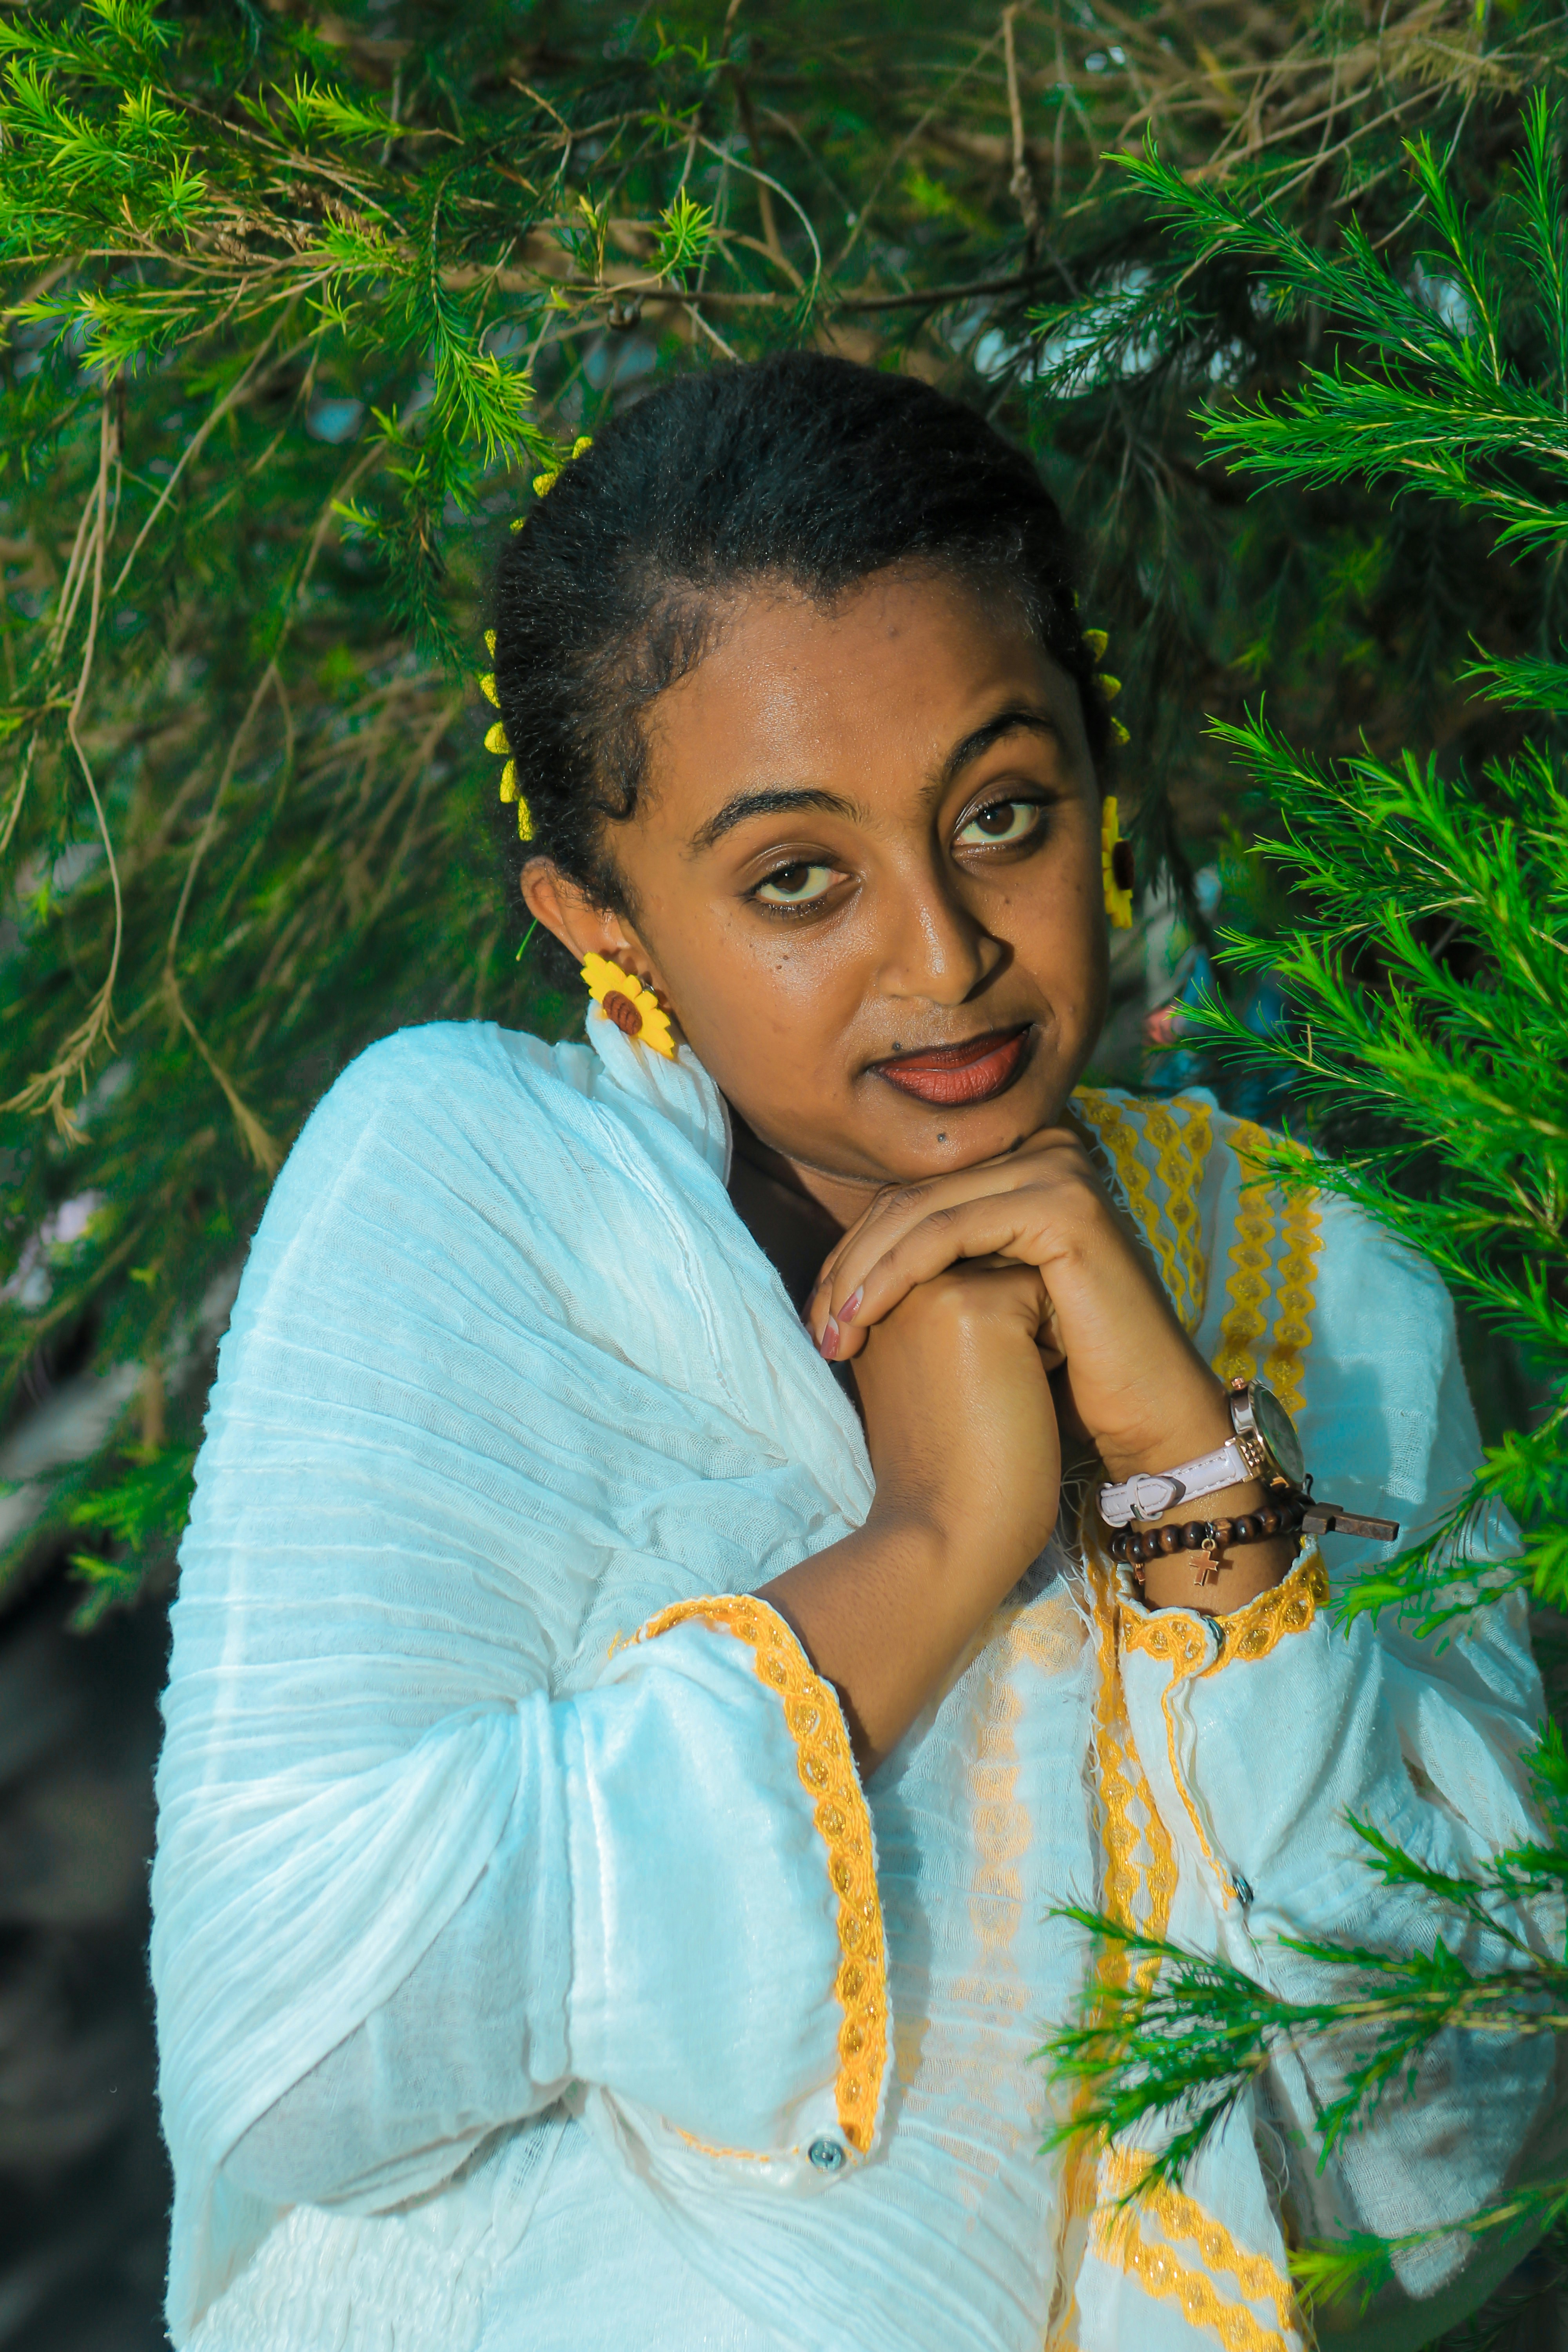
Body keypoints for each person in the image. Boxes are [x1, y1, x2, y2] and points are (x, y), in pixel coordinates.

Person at [152, 355, 1551, 2352]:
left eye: (1000, 814)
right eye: (798, 878)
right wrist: (935, 1546)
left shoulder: (1317, 1283)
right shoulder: (478, 1196)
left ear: (1102, 773)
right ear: (601, 919)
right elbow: (297, 2043)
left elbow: (1446, 2185)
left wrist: (1187, 1482)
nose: (942, 952)